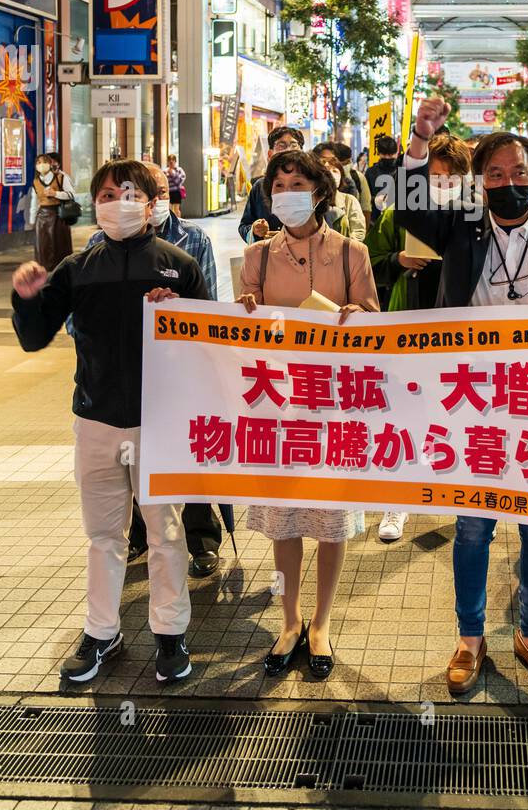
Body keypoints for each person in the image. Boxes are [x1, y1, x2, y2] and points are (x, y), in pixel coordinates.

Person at [397, 98, 528, 696]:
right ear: (478, 182)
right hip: (470, 403)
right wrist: (420, 139)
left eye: (519, 173)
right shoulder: (459, 228)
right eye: (495, 174)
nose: (508, 183)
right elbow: (404, 201)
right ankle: (469, 638)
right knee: (472, 528)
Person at [11, 160, 209, 685]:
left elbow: (212, 346)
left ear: (150, 203)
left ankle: (170, 633)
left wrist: (181, 311)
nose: (115, 201)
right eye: (104, 194)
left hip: (159, 422)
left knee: (166, 534)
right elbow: (34, 337)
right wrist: (27, 299)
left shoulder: (179, 265)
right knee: (103, 535)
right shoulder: (77, 268)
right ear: (94, 205)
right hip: (95, 419)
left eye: (127, 192)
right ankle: (102, 632)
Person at [237, 150, 379, 680]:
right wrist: (245, 311)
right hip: (279, 406)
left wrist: (356, 314)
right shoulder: (256, 255)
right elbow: (237, 331)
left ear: (319, 191)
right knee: (285, 518)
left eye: (297, 183)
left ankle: (321, 623)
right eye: (278, 184)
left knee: (330, 519)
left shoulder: (351, 253)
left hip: (334, 402)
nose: (286, 193)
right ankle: (290, 619)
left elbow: (374, 318)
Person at [79, 163, 224, 580]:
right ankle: (137, 539)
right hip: (116, 386)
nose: (126, 203)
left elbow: (206, 309)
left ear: (157, 198)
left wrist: (172, 312)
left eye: (150, 192)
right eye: (111, 195)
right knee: (128, 474)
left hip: (175, 380)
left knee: (183, 468)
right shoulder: (94, 248)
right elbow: (77, 321)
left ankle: (201, 539)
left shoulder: (191, 241)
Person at [366, 132, 472, 543]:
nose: (442, 182)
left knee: (459, 416)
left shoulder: (475, 220)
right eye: (435, 175)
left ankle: (467, 506)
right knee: (405, 415)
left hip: (459, 334)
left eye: (452, 176)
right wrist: (398, 259)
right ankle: (397, 503)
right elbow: (369, 261)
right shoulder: (399, 215)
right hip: (408, 325)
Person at [238, 125, 304, 242]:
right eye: (281, 146)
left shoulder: (310, 185)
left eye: (294, 145)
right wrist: (255, 230)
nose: (288, 150)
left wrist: (288, 238)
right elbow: (244, 225)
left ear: (302, 152)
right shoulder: (260, 186)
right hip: (268, 255)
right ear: (269, 154)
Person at [30, 152, 75, 270]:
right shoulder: (35, 182)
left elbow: (71, 194)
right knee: (42, 250)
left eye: (44, 162)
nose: (41, 165)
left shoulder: (61, 177)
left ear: (50, 164)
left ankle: (62, 271)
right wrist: (32, 220)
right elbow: (34, 202)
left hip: (58, 216)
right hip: (42, 218)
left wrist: (55, 194)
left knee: (59, 248)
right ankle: (44, 274)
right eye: (38, 163)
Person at [312, 143, 367, 242]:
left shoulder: (349, 200)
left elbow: (358, 231)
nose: (331, 175)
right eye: (327, 172)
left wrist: (341, 248)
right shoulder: (311, 200)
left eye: (335, 171)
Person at [333, 141, 372, 222]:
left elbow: (366, 207)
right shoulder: (323, 179)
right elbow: (366, 208)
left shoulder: (358, 177)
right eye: (347, 162)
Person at [365, 135, 401, 221]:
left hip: (400, 220)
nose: (388, 157)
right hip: (376, 220)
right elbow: (365, 198)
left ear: (397, 152)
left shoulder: (405, 170)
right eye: (385, 154)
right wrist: (375, 199)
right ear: (379, 153)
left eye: (391, 154)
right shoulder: (371, 172)